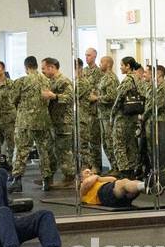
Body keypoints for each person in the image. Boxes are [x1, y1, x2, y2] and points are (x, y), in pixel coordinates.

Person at [10, 55, 53, 194]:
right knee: (43, 151)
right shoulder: (46, 80)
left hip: (25, 121)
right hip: (43, 120)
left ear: (26, 67)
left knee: (21, 151)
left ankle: (17, 180)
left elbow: (13, 99)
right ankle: (47, 180)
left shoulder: (22, 81)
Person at [42, 57, 75, 190]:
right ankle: (54, 176)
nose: (42, 71)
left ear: (52, 67)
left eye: (44, 68)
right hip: (54, 121)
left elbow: (71, 97)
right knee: (54, 149)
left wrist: (54, 96)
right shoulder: (50, 81)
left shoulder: (63, 80)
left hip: (63, 121)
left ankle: (70, 177)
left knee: (64, 150)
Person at [111, 56, 145, 177]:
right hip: (133, 116)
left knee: (119, 144)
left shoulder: (128, 80)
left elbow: (119, 98)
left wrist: (112, 114)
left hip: (123, 117)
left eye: (122, 65)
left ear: (128, 66)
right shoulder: (138, 79)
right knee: (131, 143)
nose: (120, 67)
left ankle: (125, 171)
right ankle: (133, 168)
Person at [76, 48, 103, 171]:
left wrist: (93, 96)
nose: (87, 57)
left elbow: (98, 92)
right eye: (85, 55)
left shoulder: (99, 73)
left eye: (89, 55)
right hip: (83, 111)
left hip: (93, 111)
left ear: (95, 56)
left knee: (94, 140)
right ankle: (87, 166)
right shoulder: (83, 71)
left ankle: (96, 166)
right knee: (83, 140)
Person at [77, 167, 145, 208]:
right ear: (81, 179)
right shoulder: (82, 188)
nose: (91, 173)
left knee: (128, 183)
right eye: (87, 172)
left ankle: (146, 186)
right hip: (102, 193)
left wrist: (99, 178)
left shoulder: (97, 180)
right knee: (123, 183)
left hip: (112, 195)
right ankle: (144, 186)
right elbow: (87, 182)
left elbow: (113, 179)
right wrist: (96, 176)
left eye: (91, 171)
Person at [96, 55, 119, 172]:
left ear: (108, 64)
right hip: (102, 115)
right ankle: (113, 167)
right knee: (105, 143)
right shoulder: (104, 77)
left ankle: (116, 167)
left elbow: (112, 97)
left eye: (101, 62)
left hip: (108, 115)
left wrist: (97, 98)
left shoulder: (110, 78)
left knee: (110, 142)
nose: (99, 64)